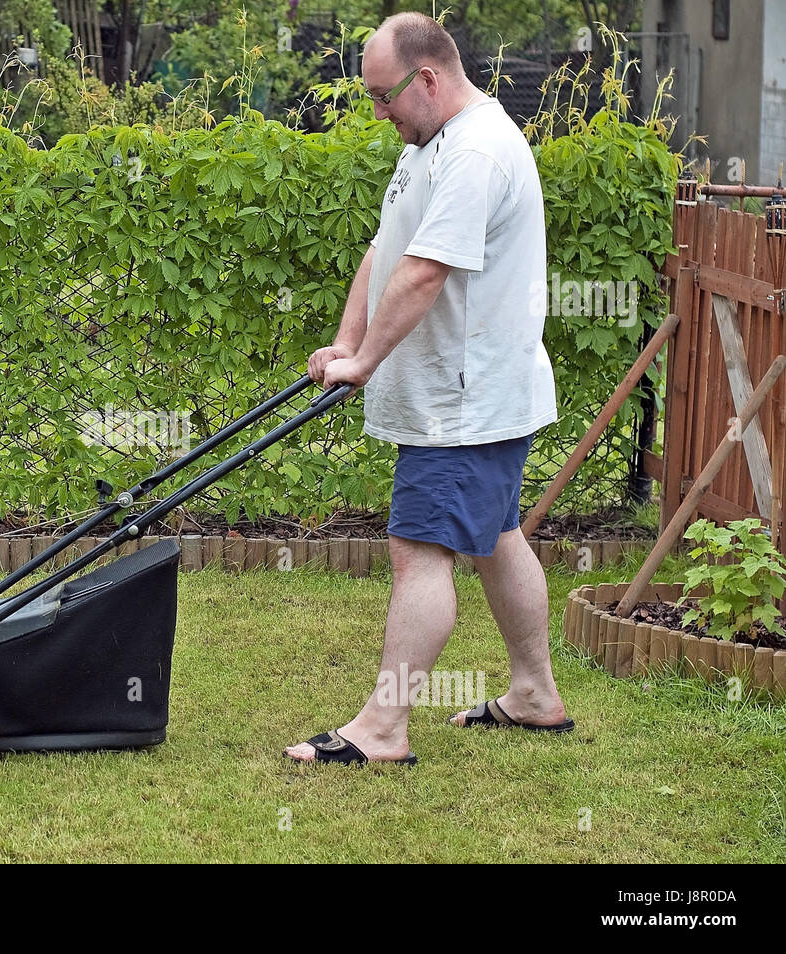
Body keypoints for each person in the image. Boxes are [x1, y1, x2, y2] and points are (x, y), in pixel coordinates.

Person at [286, 11, 574, 767]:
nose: (379, 113)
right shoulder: (432, 143)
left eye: (384, 97)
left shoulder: (477, 150)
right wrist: (348, 343)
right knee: (497, 536)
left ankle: (383, 727)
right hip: (469, 394)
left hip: (464, 400)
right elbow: (389, 248)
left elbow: (426, 273)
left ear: (429, 79)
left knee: (419, 552)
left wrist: (368, 363)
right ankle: (535, 694)